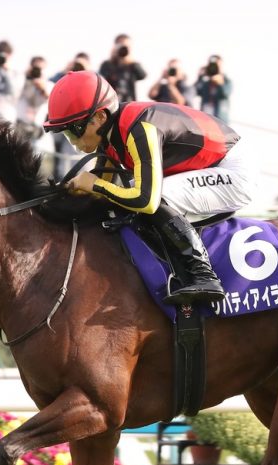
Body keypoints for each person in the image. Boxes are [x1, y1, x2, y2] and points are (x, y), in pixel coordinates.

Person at [43, 71, 257, 305]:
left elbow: (146, 200)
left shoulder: (139, 129)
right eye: (65, 133)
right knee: (127, 193)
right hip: (210, 167)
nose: (73, 141)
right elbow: (99, 190)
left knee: (154, 195)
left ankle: (203, 274)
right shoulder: (110, 135)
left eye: (74, 130)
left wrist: (94, 184)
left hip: (234, 170)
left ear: (101, 117)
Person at [50, 53, 91, 180]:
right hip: (62, 123)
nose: (77, 68)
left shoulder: (92, 79)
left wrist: (87, 71)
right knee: (61, 158)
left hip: (83, 124)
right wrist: (66, 72)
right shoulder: (63, 78)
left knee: (81, 157)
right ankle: (61, 181)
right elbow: (51, 85)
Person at [98, 34, 146, 103]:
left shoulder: (132, 65)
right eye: (122, 45)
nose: (125, 48)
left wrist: (131, 62)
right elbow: (101, 79)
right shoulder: (107, 64)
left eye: (127, 46)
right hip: (111, 103)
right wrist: (113, 58)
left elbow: (143, 75)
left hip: (129, 104)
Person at [15, 56, 50, 143]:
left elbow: (51, 101)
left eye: (41, 69)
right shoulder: (22, 81)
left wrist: (42, 88)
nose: (38, 71)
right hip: (19, 125)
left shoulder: (49, 85)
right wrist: (26, 77)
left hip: (36, 129)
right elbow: (13, 93)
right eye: (36, 68)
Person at [195, 55, 232, 123]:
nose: (214, 68)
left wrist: (221, 84)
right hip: (205, 119)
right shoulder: (205, 82)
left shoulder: (226, 81)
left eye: (216, 65)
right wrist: (200, 76)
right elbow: (196, 91)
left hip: (220, 121)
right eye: (212, 65)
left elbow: (226, 94)